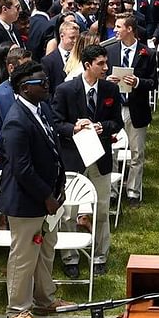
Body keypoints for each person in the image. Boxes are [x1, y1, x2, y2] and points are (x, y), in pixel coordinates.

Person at [0, 62, 69, 318]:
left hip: (48, 197)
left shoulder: (40, 111)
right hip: (26, 201)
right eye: (42, 82)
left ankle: (44, 299)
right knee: (24, 256)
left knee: (45, 251)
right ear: (25, 88)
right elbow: (21, 167)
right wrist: (45, 196)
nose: (47, 84)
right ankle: (17, 309)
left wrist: (57, 188)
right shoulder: (16, 120)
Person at [53, 44, 122, 277]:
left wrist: (103, 127)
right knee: (69, 211)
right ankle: (70, 257)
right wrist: (74, 127)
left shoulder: (110, 90)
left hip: (99, 157)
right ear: (87, 65)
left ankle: (100, 255)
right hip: (73, 158)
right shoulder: (65, 90)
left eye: (106, 63)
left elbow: (117, 122)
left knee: (101, 208)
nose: (105, 68)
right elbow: (55, 122)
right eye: (100, 64)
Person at [106, 14, 157, 207]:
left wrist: (137, 82)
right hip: (114, 107)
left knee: (137, 153)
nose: (115, 30)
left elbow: (153, 82)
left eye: (119, 27)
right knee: (110, 151)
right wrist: (106, 81)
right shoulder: (109, 51)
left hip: (136, 108)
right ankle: (112, 191)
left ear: (130, 29)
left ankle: (133, 192)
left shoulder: (147, 53)